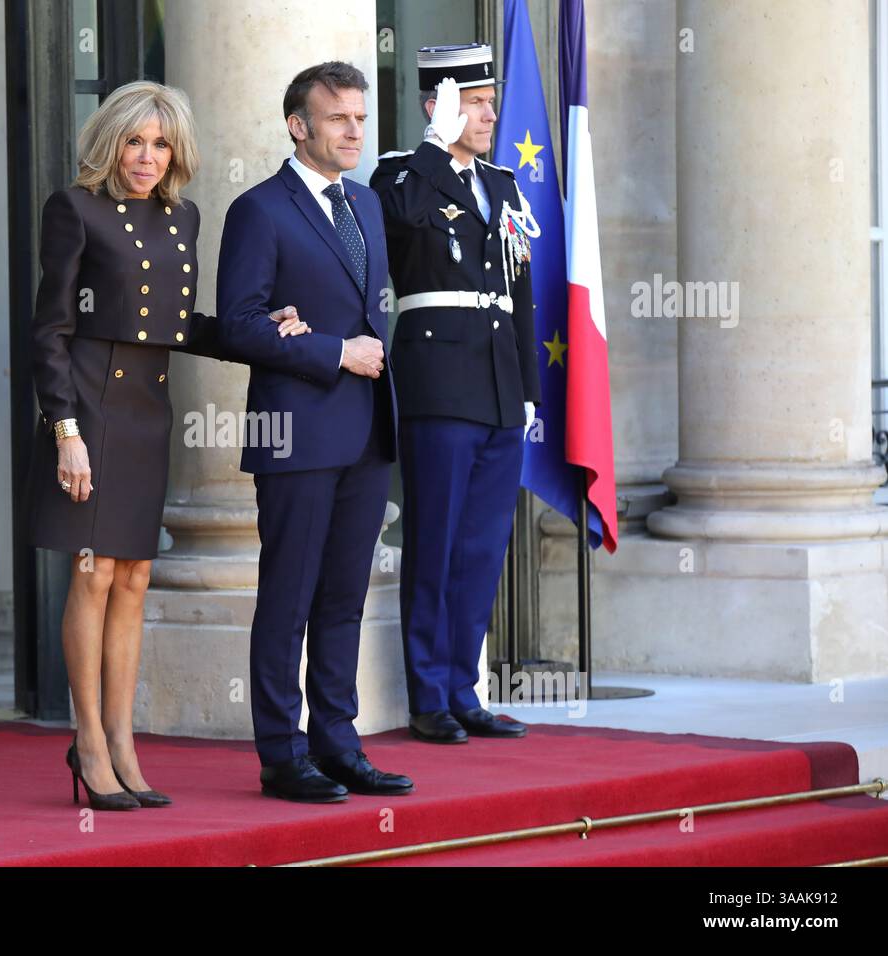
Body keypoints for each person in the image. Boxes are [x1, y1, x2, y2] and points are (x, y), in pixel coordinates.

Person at [28, 80, 309, 811]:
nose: (147, 156)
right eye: (134, 141)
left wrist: (259, 330)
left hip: (149, 413)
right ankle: (88, 739)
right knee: (93, 575)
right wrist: (66, 434)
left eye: (160, 143)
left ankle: (124, 740)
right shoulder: (75, 209)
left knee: (134, 581)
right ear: (110, 143)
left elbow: (179, 323)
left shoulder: (182, 217)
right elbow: (50, 331)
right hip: (88, 409)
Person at [216, 61, 412, 803]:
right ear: (299, 126)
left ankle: (338, 744)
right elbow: (236, 324)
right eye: (339, 119)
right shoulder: (258, 211)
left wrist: (343, 341)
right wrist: (328, 349)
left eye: (360, 117)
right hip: (295, 432)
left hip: (366, 431)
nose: (355, 130)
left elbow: (373, 308)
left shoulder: (364, 204)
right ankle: (281, 753)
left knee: (343, 599)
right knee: (289, 595)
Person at [369, 44, 540, 744]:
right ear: (437, 106)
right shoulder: (402, 176)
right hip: (439, 384)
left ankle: (465, 687)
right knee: (435, 541)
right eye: (472, 101)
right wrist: (438, 143)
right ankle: (428, 694)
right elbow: (401, 222)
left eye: (490, 101)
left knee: (481, 546)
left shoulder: (501, 184)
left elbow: (519, 292)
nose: (489, 114)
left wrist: (527, 390)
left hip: (499, 387)